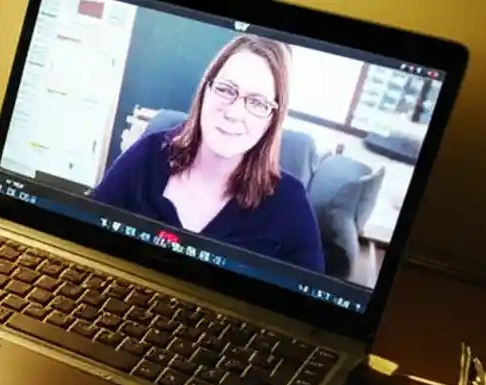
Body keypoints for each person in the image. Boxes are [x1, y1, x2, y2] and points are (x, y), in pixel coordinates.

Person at [92, 35, 325, 273]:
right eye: (226, 89)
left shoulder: (291, 202)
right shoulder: (148, 154)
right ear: (205, 90)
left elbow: (309, 294)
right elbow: (87, 232)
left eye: (258, 103)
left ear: (273, 119)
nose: (234, 113)